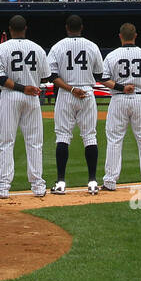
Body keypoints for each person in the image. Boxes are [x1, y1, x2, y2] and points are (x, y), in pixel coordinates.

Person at [0, 15, 52, 199]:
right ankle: (38, 186)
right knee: (34, 142)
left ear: (9, 29)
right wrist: (28, 84)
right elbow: (46, 76)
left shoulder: (2, 48)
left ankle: (2, 188)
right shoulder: (37, 48)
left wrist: (21, 86)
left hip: (10, 96)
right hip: (32, 96)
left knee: (7, 142)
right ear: (26, 28)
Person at [47, 14, 106, 194]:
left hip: (66, 93)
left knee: (63, 137)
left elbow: (51, 75)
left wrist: (72, 89)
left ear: (67, 27)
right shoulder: (92, 46)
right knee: (90, 136)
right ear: (82, 27)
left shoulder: (58, 46)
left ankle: (61, 183)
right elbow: (99, 73)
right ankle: (93, 182)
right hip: (87, 92)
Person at [100, 23, 141, 191]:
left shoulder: (112, 55)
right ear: (135, 35)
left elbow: (104, 79)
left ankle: (110, 181)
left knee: (114, 139)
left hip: (119, 98)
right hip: (140, 98)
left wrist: (121, 87)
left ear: (120, 36)